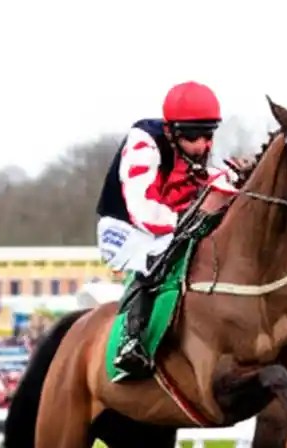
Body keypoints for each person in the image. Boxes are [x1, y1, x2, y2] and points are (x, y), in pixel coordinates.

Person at [95, 80, 248, 379]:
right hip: (124, 227)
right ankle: (131, 338)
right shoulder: (143, 144)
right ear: (170, 132)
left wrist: (240, 180)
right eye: (194, 137)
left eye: (209, 134)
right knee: (162, 251)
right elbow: (144, 211)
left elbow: (213, 184)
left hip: (163, 223)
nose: (203, 144)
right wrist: (192, 218)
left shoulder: (197, 150)